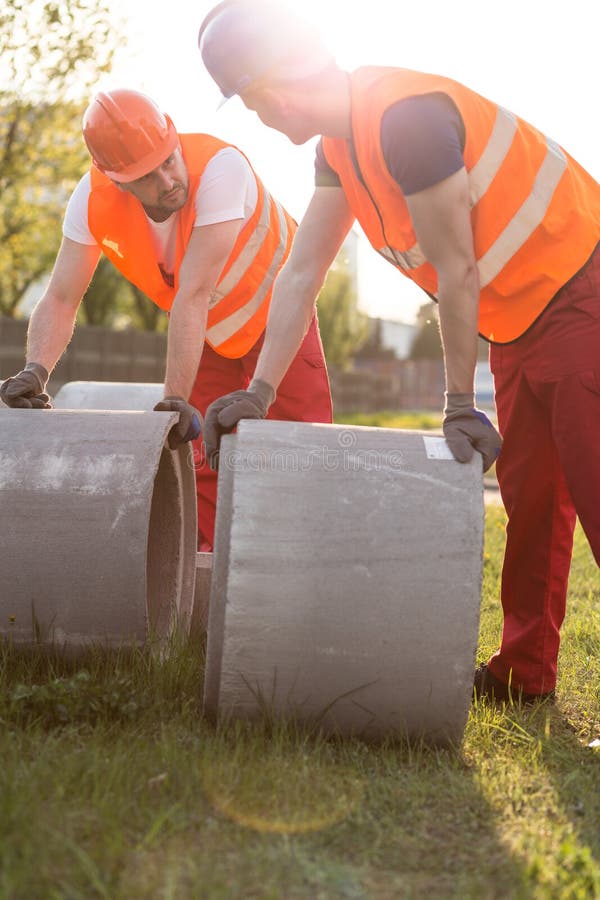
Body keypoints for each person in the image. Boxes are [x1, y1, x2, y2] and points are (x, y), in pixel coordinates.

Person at [198, 0, 600, 703]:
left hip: (582, 287)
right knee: (531, 500)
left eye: (253, 104)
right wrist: (259, 391)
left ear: (270, 93)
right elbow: (301, 273)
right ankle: (525, 673)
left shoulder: (403, 119)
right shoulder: (340, 146)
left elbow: (457, 267)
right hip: (519, 320)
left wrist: (454, 403)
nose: (262, 117)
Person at [0, 88, 332, 551]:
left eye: (169, 160)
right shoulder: (90, 201)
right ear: (115, 179)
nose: (169, 179)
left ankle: (301, 568)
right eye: (148, 175)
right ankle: (203, 584)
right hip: (206, 332)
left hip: (277, 320)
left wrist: (174, 398)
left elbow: (194, 293)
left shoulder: (219, 168)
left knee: (296, 452)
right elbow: (59, 297)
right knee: (200, 457)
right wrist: (36, 371)